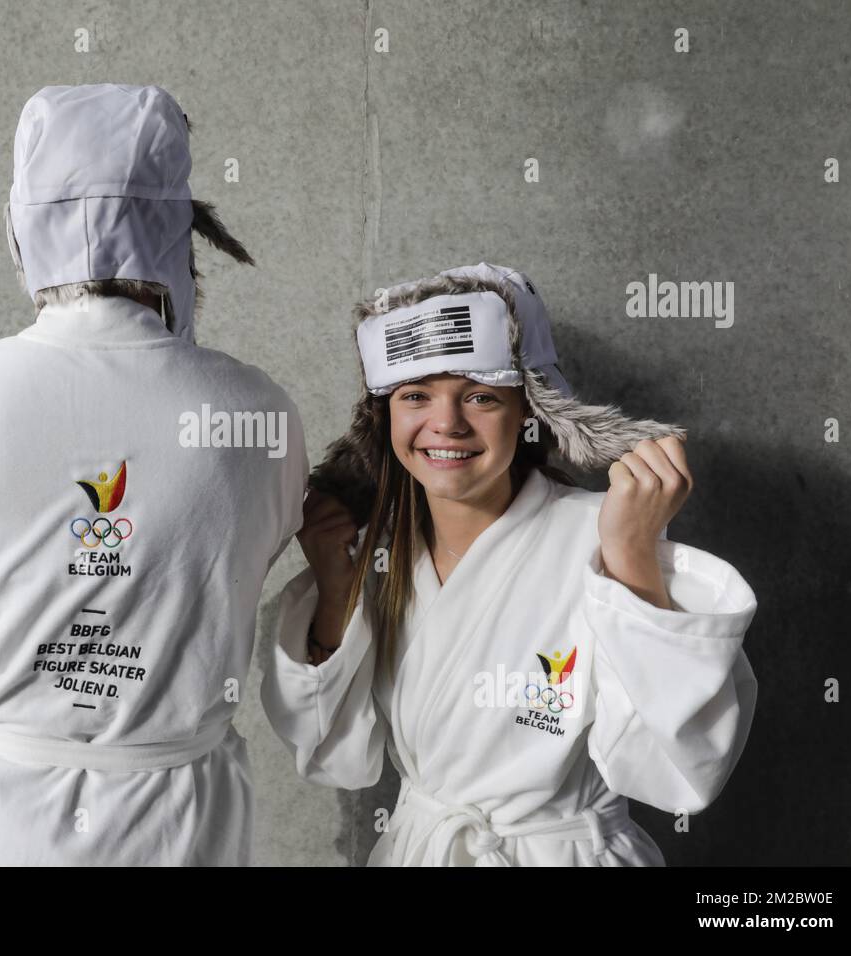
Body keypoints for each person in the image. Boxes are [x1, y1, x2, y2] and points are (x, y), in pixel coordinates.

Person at [0, 83, 308, 865]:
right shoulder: (256, 411)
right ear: (180, 231)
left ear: (21, 228)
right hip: (180, 827)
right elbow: (242, 567)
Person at [259, 262, 758, 866]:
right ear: (383, 415)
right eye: (415, 395)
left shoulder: (602, 534)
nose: (446, 423)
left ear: (529, 410)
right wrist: (337, 591)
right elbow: (334, 754)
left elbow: (676, 767)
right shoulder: (382, 554)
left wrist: (630, 556)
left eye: (480, 396)